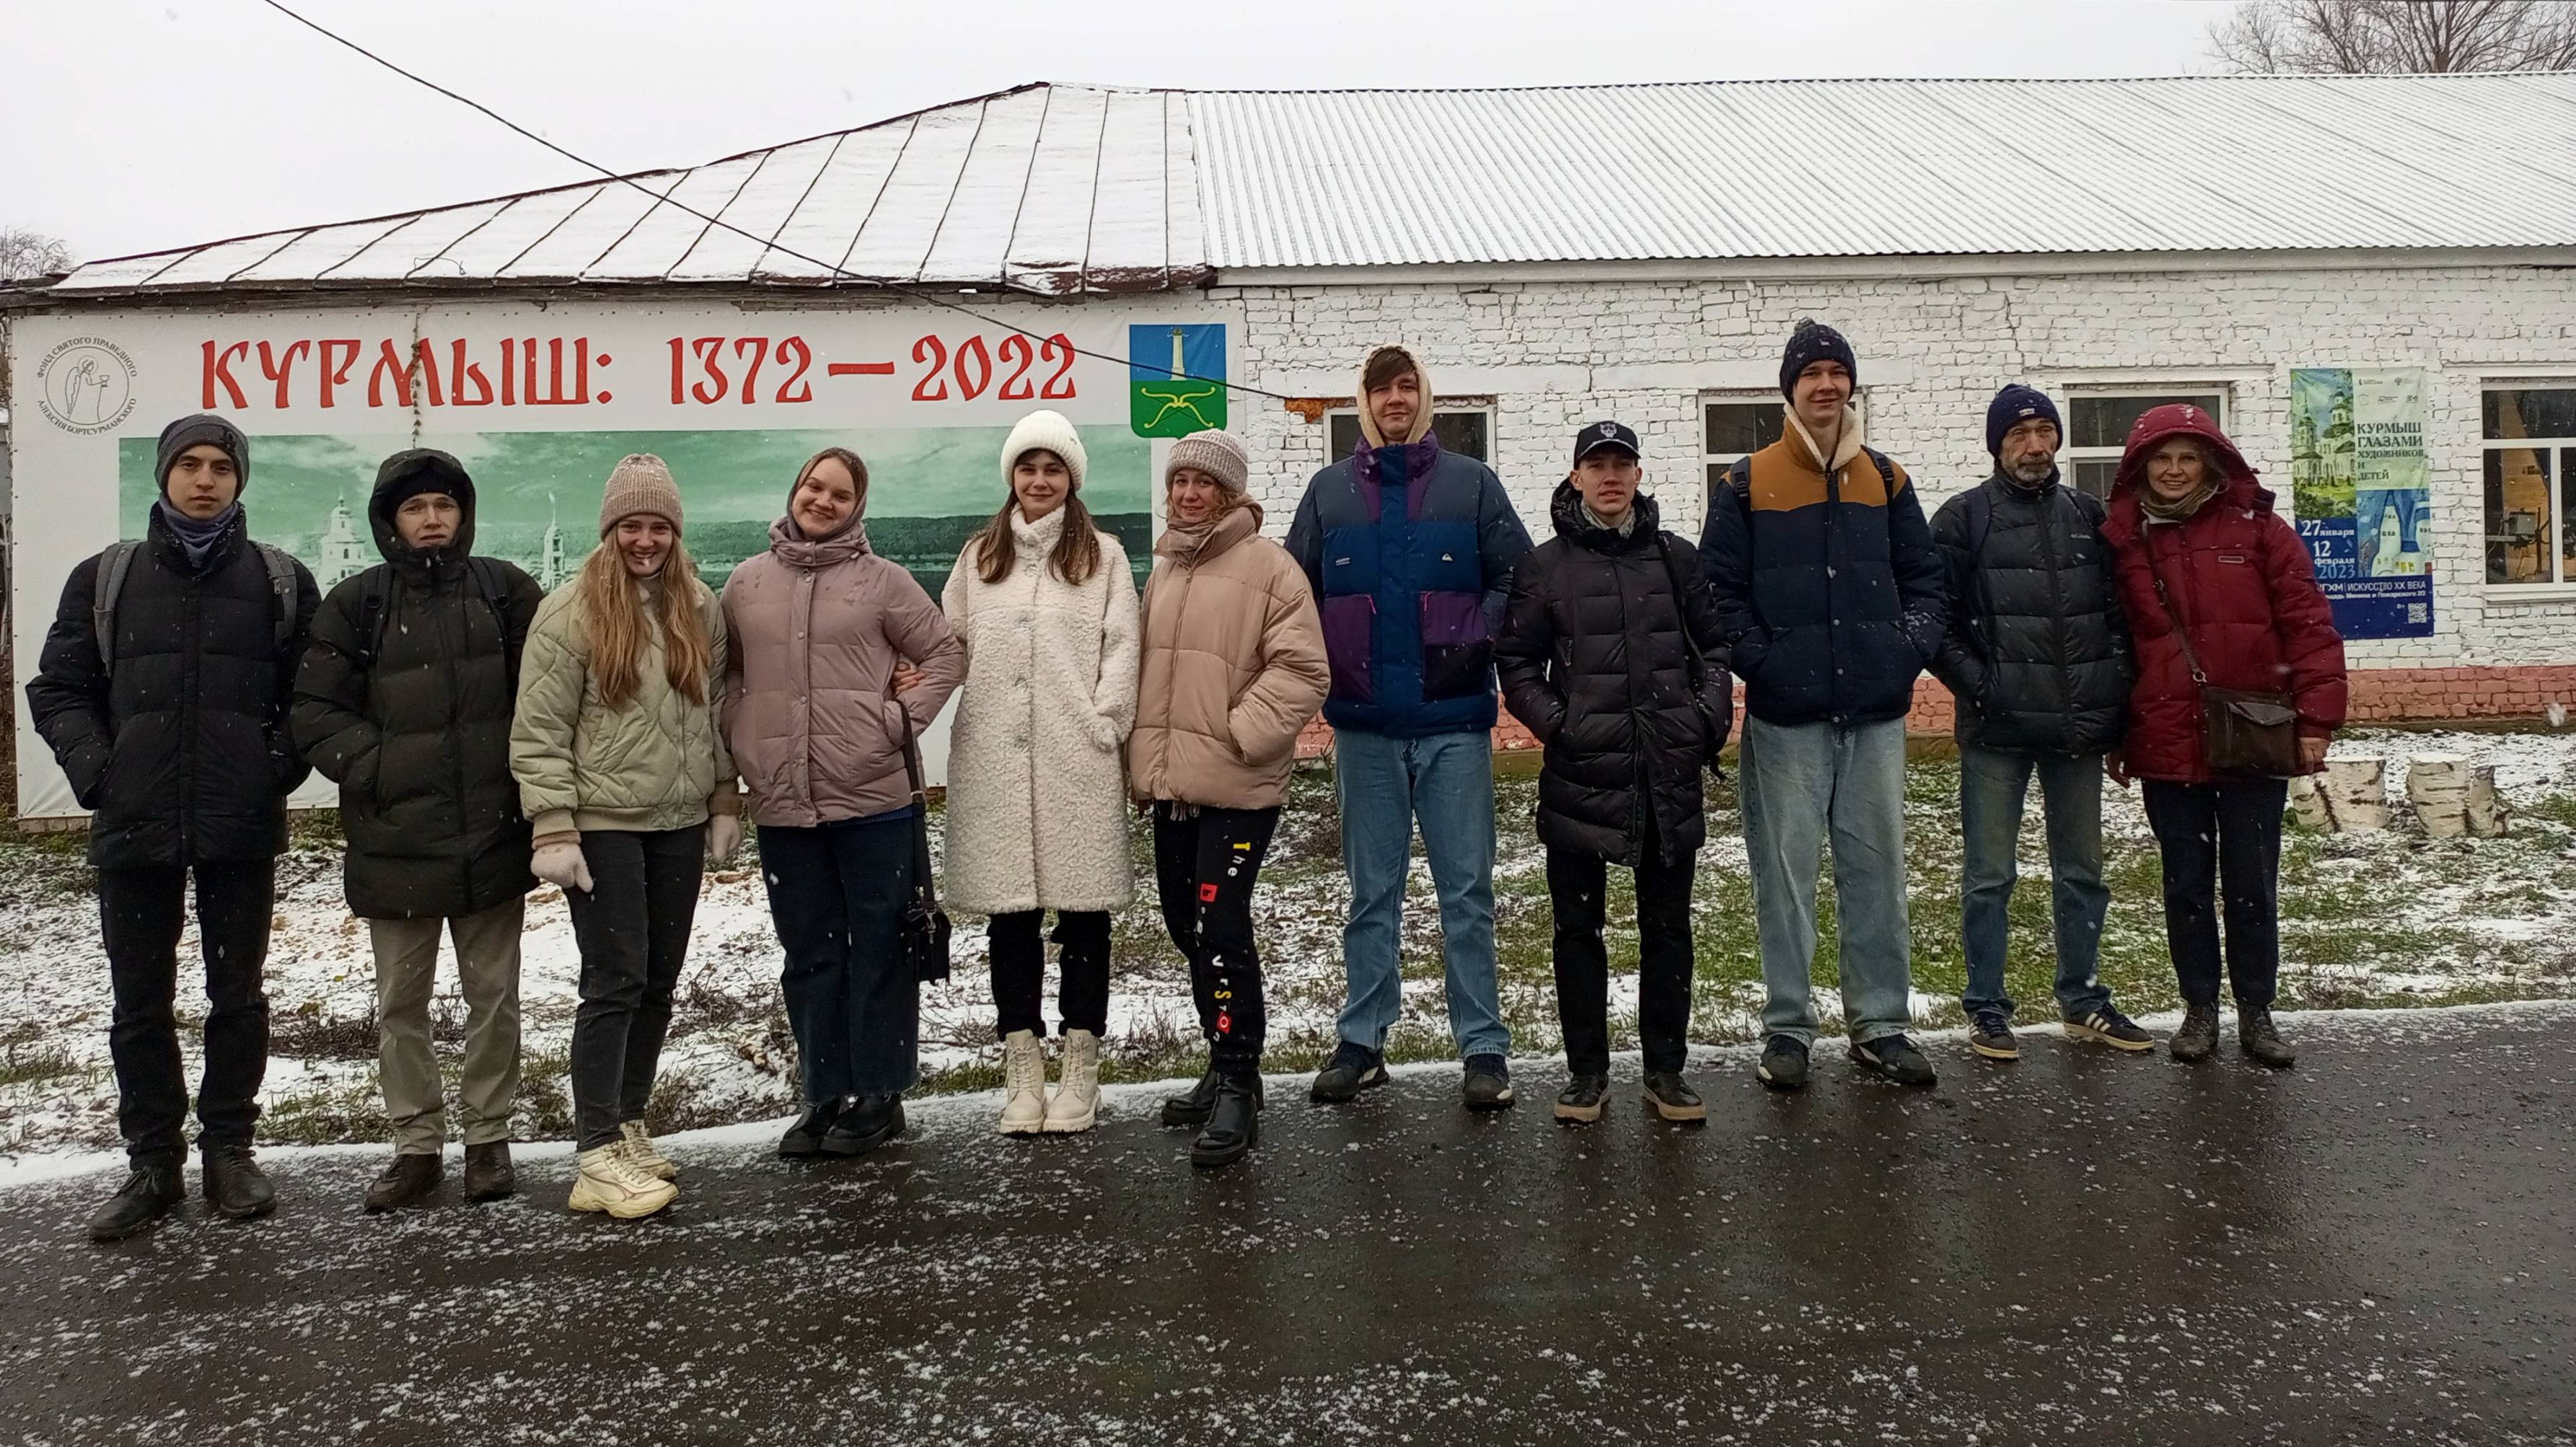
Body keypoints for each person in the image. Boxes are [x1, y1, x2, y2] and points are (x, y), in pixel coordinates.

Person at [27, 414, 320, 1241]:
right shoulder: (107, 577)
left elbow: (314, 695)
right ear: (164, 474)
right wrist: (101, 770)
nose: (204, 479)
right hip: (135, 820)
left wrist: (269, 768)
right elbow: (59, 687)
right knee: (139, 1002)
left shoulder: (279, 580)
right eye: (189, 464)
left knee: (238, 995)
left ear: (239, 479)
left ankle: (230, 1150)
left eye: (220, 466)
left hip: (238, 821)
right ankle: (152, 1162)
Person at [292, 449, 545, 1212]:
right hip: (395, 839)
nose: (432, 519)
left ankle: (488, 1137)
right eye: (415, 507)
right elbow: (315, 710)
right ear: (389, 520)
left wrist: (519, 778)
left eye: (444, 504)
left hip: (492, 832)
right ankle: (416, 1145)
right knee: (402, 1004)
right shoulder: (357, 603)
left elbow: (550, 692)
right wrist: (381, 768)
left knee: (493, 996)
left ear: (463, 513)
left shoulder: (504, 591)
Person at [1286, 346, 1533, 1110]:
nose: (1394, 399)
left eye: (1405, 386)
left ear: (1424, 396)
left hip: (1453, 723)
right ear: (1361, 402)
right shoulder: (1328, 492)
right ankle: (1361, 1040)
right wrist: (1331, 657)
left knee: (1467, 892)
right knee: (1371, 895)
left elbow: (1517, 576)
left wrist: (1475, 635)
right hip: (1363, 726)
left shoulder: (1471, 483)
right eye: (1379, 389)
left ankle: (1483, 1046)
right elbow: (1295, 591)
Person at [1702, 320, 1946, 1091]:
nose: (1826, 385)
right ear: (1790, 389)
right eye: (1811, 373)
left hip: (1873, 717)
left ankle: (1880, 1024)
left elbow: (1927, 585)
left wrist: (1903, 651)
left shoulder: (1887, 480)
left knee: (1876, 874)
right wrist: (1767, 662)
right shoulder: (1747, 483)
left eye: (1837, 372)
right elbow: (1717, 595)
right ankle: (1787, 1028)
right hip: (1786, 719)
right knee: (1786, 881)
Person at [510, 454, 739, 1218]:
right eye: (632, 526)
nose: (646, 541)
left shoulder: (698, 606)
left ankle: (631, 1122)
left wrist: (723, 797)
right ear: (610, 531)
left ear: (676, 532)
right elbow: (539, 731)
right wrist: (553, 825)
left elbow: (714, 709)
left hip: (677, 822)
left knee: (658, 980)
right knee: (613, 980)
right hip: (603, 824)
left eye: (660, 527)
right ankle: (596, 1151)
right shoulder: (568, 612)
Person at [724, 447, 964, 1159]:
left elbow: (945, 654)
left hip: (873, 800)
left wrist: (895, 721)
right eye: (813, 486)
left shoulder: (884, 582)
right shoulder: (745, 583)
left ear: (857, 506)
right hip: (782, 802)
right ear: (795, 490)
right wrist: (739, 728)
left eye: (839, 493)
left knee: (880, 947)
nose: (822, 501)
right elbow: (725, 671)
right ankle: (823, 1093)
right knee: (809, 951)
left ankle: (880, 1093)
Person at [2100, 403, 2345, 1068]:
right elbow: (2114, 646)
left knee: (2250, 883)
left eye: (2187, 457)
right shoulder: (2123, 542)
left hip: (2252, 735)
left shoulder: (2260, 530)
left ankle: (2256, 1012)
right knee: (2184, 884)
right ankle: (2198, 1009)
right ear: (2140, 468)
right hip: (2165, 736)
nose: (2174, 470)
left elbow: (2308, 624)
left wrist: (2316, 721)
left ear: (2211, 464)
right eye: (2161, 459)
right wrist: (2117, 733)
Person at [1498, 421, 1728, 1125]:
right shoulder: (1543, 567)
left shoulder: (1676, 559)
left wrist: (1702, 720)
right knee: (1577, 931)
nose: (1609, 476)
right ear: (1575, 478)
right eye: (1596, 465)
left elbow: (1714, 649)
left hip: (1665, 775)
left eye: (1621, 464)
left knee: (1667, 930)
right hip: (1580, 776)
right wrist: (1560, 724)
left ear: (1637, 474)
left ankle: (1666, 1071)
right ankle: (1586, 1074)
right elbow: (1516, 663)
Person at [1928, 386, 2153, 1063]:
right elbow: (1934, 623)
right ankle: (1986, 1007)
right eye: (2018, 434)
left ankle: (2082, 999)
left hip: (2076, 730)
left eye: (2043, 432)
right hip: (1996, 732)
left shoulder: (2087, 516)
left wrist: (2113, 693)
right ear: (1996, 445)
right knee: (1988, 877)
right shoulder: (1964, 518)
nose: (2033, 446)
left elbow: (2118, 617)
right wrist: (1984, 687)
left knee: (2082, 872)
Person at [1128, 429, 1329, 1167]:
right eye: (1179, 481)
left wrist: (1238, 734)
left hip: (1238, 788)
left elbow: (1304, 670)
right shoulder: (1165, 570)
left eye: (1203, 483)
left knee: (1219, 925)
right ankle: (1222, 1060)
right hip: (1175, 787)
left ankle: (1241, 1080)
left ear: (1229, 493)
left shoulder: (1270, 568)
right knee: (1187, 925)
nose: (1188, 494)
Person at [941, 410, 1140, 1137]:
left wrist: (1104, 722)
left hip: (1074, 756)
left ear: (1071, 479)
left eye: (1052, 468)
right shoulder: (979, 557)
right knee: (1011, 919)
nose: (1039, 479)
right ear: (1012, 476)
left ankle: (1080, 1067)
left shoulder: (1103, 557)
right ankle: (1022, 1067)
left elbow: (1123, 645)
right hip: (995, 758)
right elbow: (949, 642)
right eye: (1027, 467)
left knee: (1084, 916)